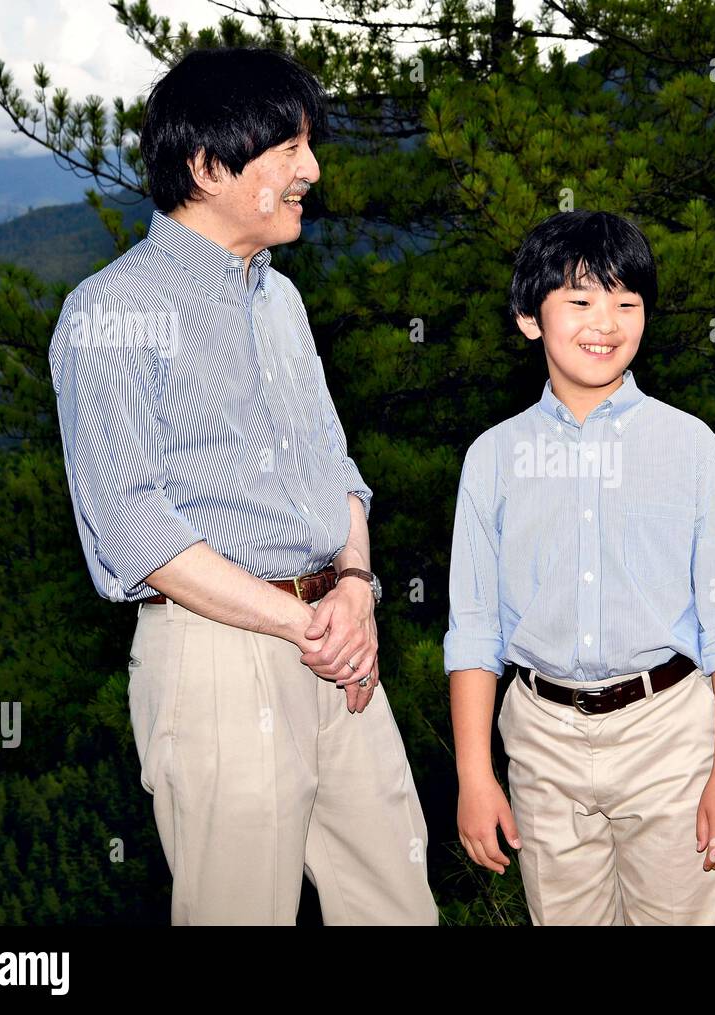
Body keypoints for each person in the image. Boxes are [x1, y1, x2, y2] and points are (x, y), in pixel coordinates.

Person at [48, 47, 436, 925]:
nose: (313, 170)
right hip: (218, 655)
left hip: (337, 643)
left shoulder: (281, 302)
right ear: (209, 165)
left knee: (397, 903)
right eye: (289, 148)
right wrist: (305, 622)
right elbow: (134, 526)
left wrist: (354, 590)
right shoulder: (109, 312)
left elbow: (335, 466)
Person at [445, 210, 715, 925]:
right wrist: (475, 774)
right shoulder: (493, 458)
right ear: (531, 318)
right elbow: (472, 632)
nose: (608, 322)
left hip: (670, 734)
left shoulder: (692, 449)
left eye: (627, 303)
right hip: (542, 740)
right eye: (582, 300)